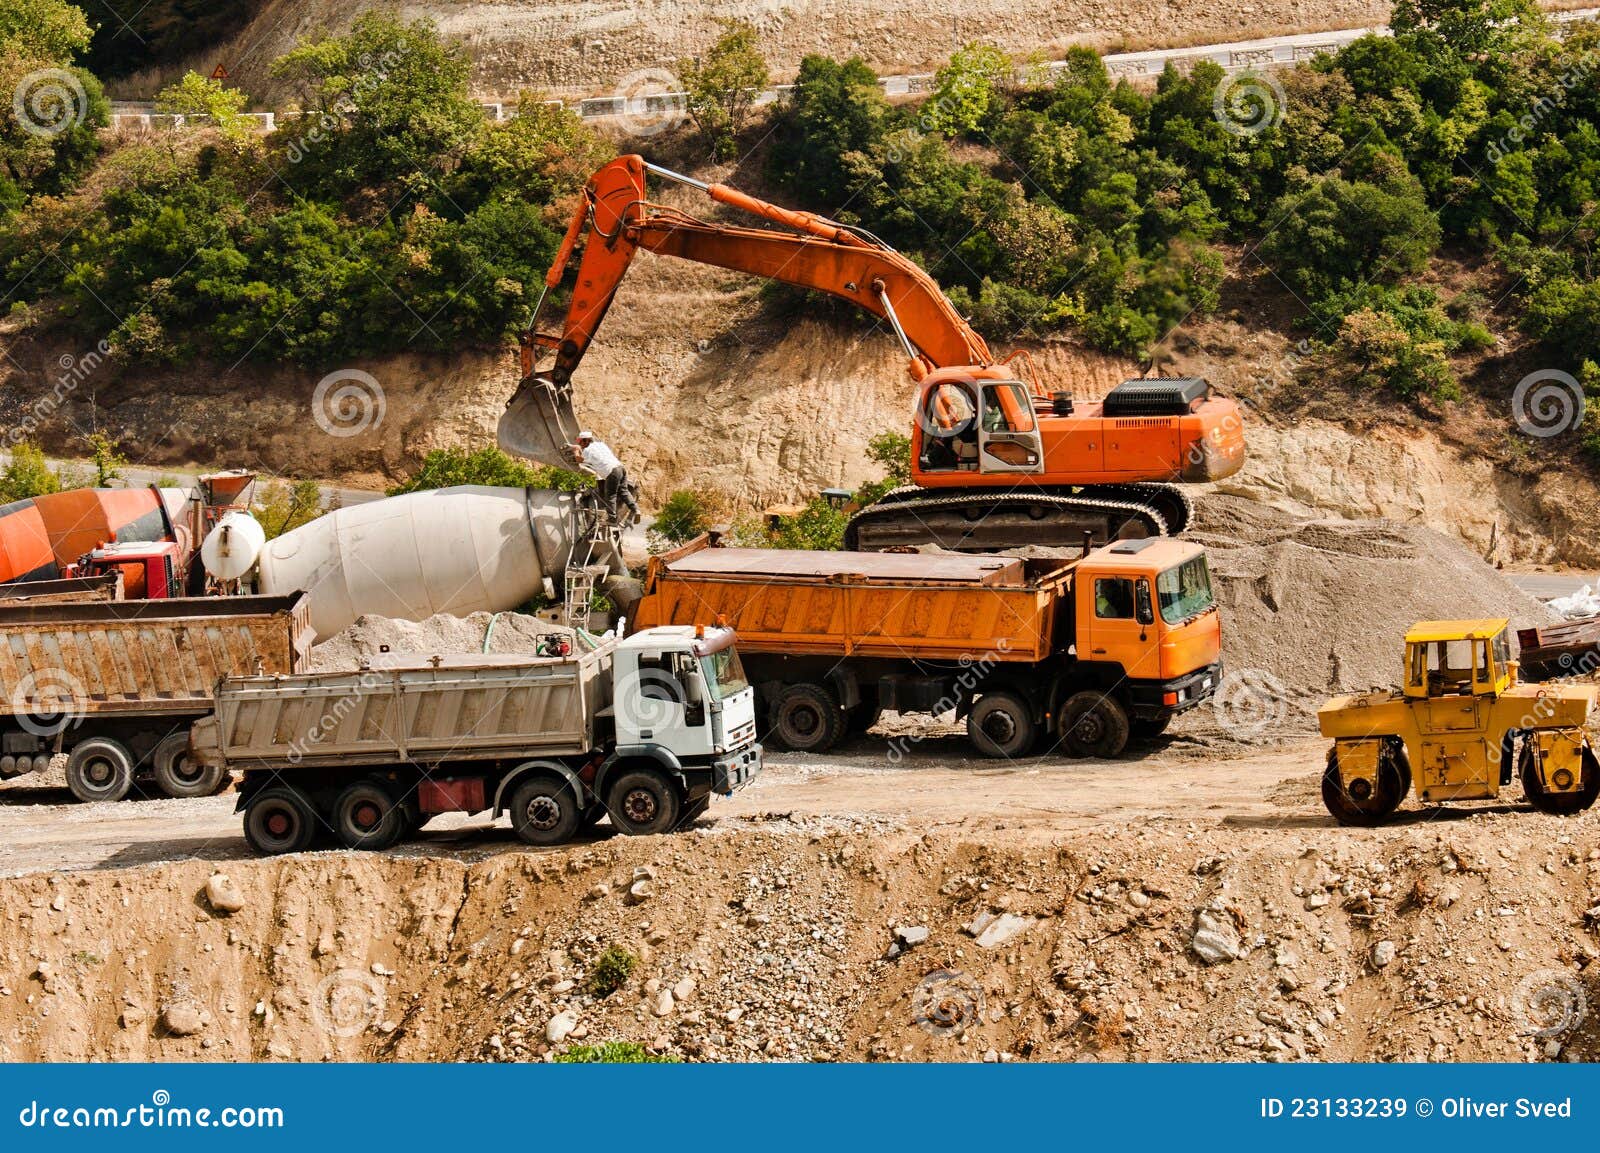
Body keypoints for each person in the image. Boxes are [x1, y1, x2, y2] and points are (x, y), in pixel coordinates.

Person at [572, 430, 639, 522]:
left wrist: (576, 450)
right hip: (621, 468)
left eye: (580, 442)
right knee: (624, 491)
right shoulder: (601, 445)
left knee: (610, 496)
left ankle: (612, 518)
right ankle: (636, 509)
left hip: (611, 472)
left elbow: (579, 460)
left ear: (586, 440)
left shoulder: (587, 450)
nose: (580, 444)